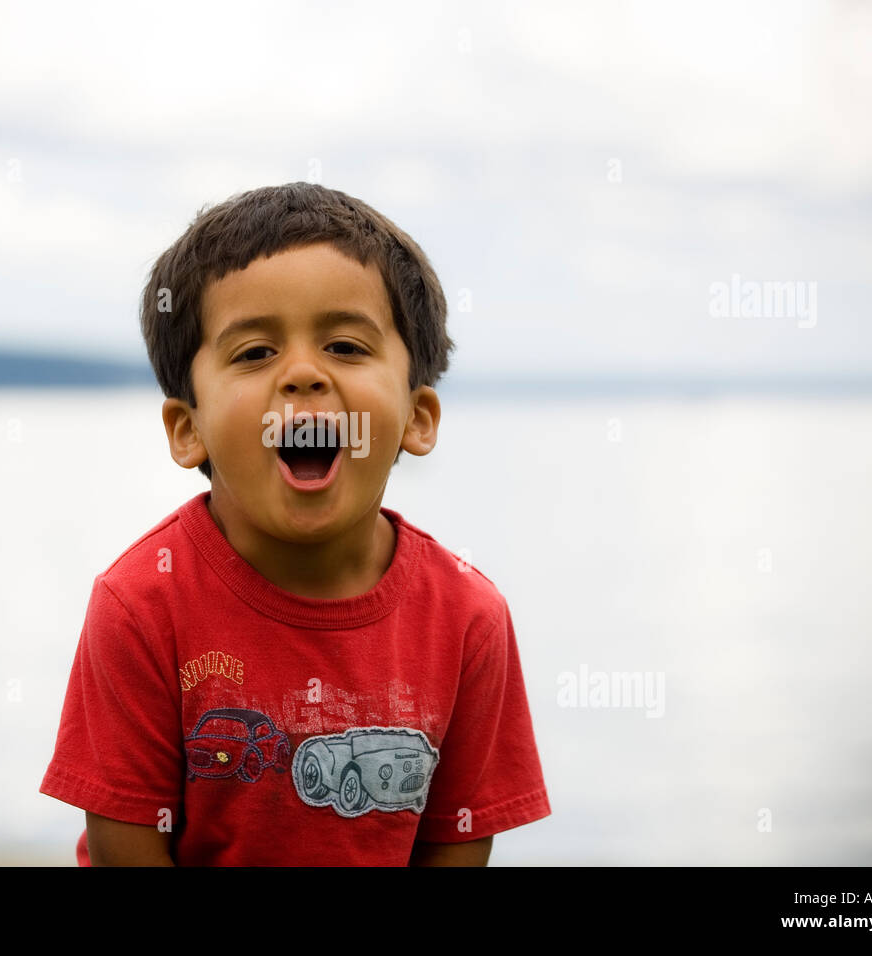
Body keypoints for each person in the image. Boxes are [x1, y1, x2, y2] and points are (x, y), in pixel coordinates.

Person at [39, 182, 551, 865]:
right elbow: (125, 847)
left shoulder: (467, 619)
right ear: (188, 429)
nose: (303, 374)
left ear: (417, 417)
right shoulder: (141, 605)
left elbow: (456, 844)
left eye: (344, 345)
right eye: (254, 353)